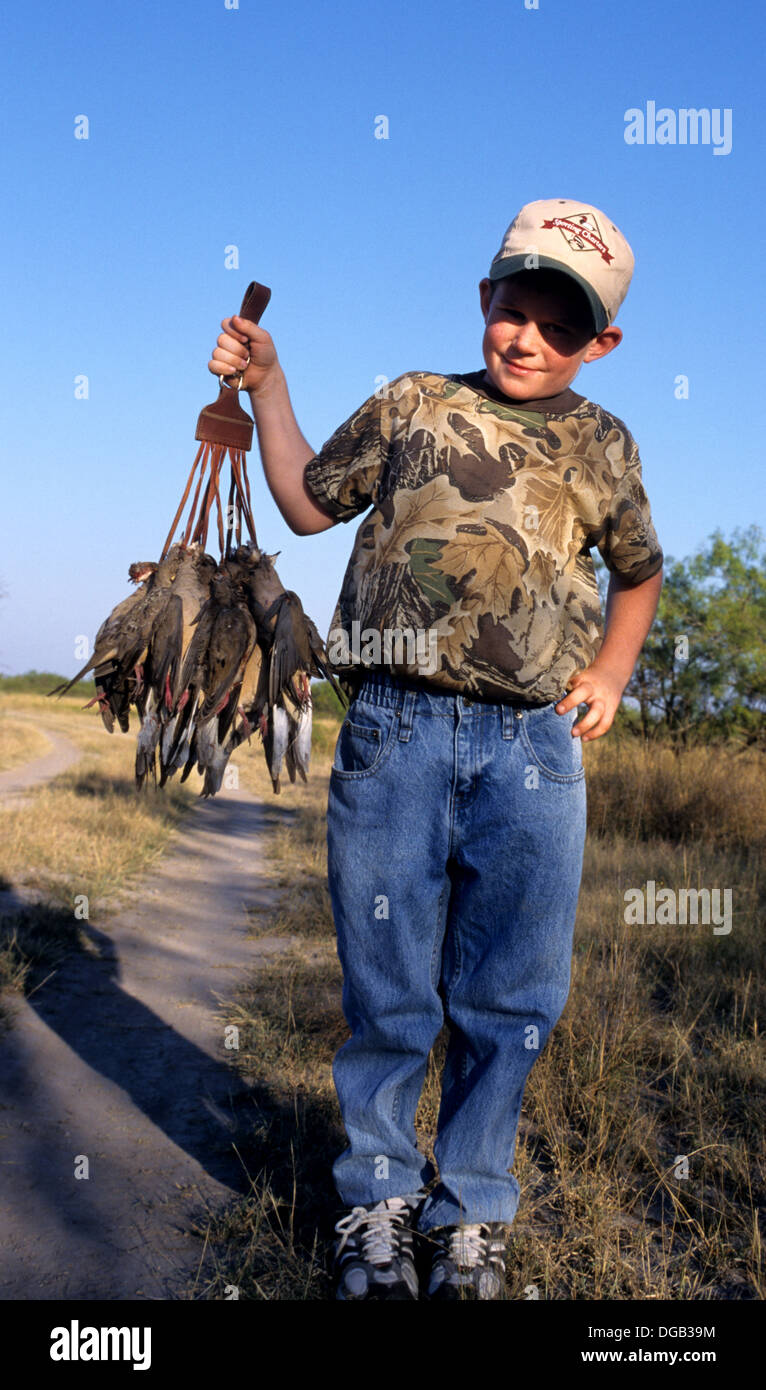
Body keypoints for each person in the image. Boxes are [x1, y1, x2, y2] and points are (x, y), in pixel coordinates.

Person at [208, 197, 664, 1300]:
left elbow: (639, 572)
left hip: (532, 752)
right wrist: (267, 385)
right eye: (515, 309)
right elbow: (308, 507)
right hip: (393, 733)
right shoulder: (412, 402)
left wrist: (607, 672)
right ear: (484, 301)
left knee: (509, 995)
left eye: (562, 326)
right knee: (389, 989)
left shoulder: (602, 442)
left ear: (599, 343)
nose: (527, 339)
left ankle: (469, 1215)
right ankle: (375, 1200)